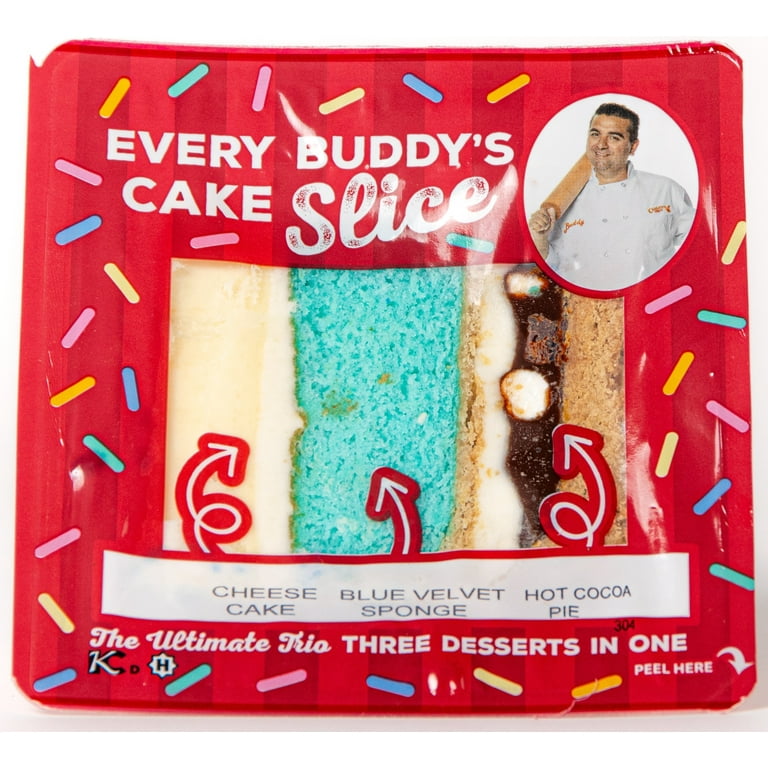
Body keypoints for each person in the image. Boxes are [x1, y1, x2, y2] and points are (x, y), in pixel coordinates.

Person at [528, 103, 695, 291]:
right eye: (595, 134)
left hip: (649, 302)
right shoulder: (563, 201)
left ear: (633, 147)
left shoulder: (665, 190)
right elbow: (552, 268)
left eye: (614, 137)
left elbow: (699, 249)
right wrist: (540, 238)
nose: (601, 144)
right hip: (585, 304)